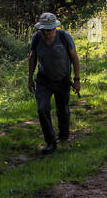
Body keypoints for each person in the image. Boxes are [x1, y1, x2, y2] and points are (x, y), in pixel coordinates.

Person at [28, 12, 81, 154]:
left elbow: (75, 58)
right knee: (42, 109)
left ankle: (63, 135)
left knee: (62, 109)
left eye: (50, 29)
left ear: (55, 27)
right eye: (44, 30)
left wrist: (76, 79)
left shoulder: (64, 37)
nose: (47, 32)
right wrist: (30, 78)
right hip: (43, 80)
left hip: (63, 79)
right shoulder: (37, 38)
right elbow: (32, 58)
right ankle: (50, 142)